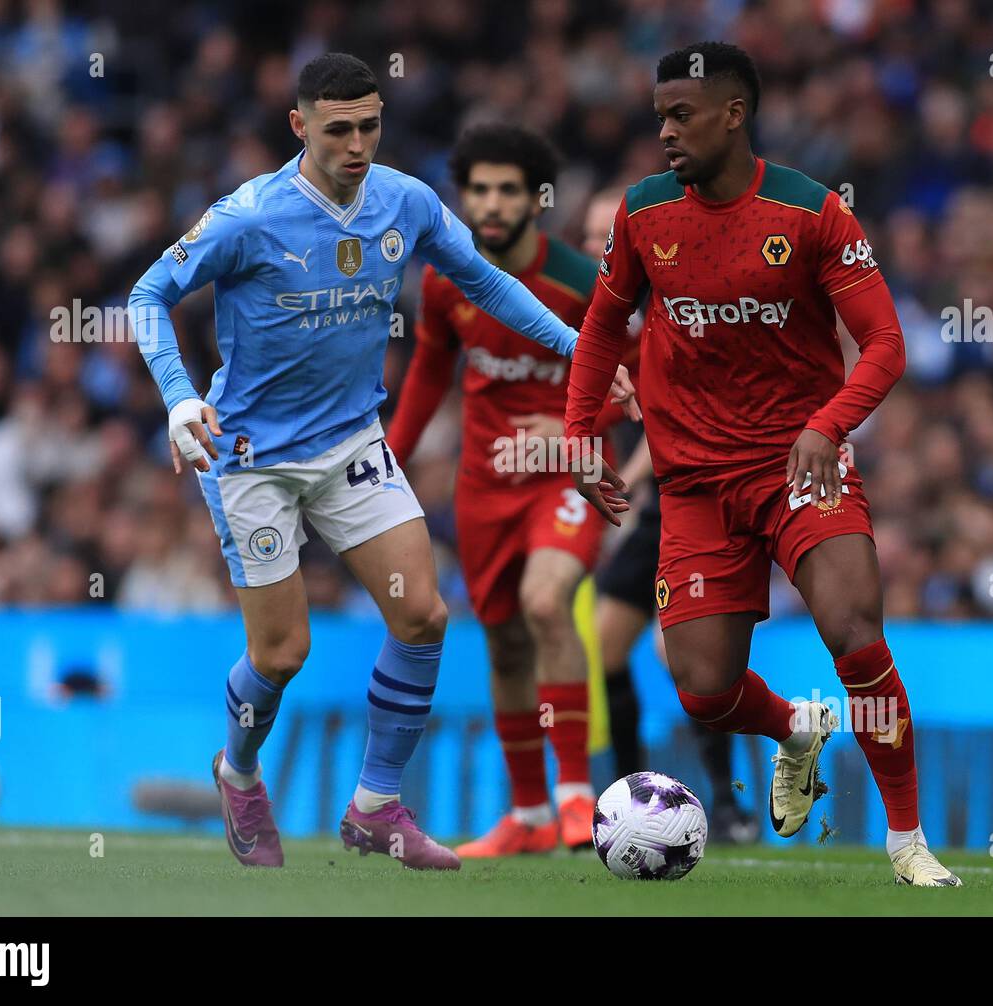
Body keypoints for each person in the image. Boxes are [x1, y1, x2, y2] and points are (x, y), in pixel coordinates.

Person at [127, 53, 634, 870]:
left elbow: (487, 282)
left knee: (424, 616)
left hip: (352, 443)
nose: (358, 143)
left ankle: (375, 806)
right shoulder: (249, 216)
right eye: (339, 130)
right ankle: (238, 768)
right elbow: (147, 297)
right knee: (282, 655)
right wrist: (182, 397)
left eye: (370, 126)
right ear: (300, 127)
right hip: (252, 456)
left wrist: (581, 350)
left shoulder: (407, 200)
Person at [565, 42, 960, 885]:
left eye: (683, 114)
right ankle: (793, 730)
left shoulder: (812, 213)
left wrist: (829, 423)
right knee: (703, 690)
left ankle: (907, 841)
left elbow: (886, 343)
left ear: (734, 114)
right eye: (660, 114)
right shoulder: (641, 214)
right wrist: (579, 433)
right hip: (696, 482)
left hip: (798, 468)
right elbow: (603, 327)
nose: (665, 131)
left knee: (856, 635)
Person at [390, 125, 635, 855]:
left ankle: (574, 799)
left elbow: (638, 387)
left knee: (544, 601)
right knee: (502, 645)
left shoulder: (579, 284)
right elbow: (430, 376)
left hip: (567, 480)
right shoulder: (443, 280)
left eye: (507, 190)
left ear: (536, 199)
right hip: (482, 487)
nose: (491, 205)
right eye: (479, 190)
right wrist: (389, 461)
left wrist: (571, 427)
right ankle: (528, 816)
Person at [581, 190, 759, 843]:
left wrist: (621, 483)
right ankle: (631, 799)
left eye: (611, 234)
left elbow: (678, 408)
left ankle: (728, 802)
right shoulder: (592, 315)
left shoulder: (673, 304)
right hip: (646, 507)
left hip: (691, 497)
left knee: (682, 657)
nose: (603, 246)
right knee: (603, 647)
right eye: (593, 235)